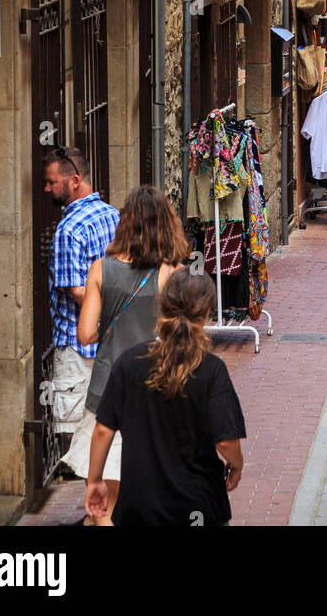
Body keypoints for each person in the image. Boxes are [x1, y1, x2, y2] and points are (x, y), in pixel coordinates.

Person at [64, 185, 190, 523]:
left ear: (126, 223)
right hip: (158, 390)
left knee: (105, 503)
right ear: (167, 224)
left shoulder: (101, 269)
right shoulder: (175, 274)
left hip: (109, 388)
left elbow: (86, 333)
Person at [86, 266, 246, 526]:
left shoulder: (129, 362)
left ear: (162, 307)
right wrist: (237, 465)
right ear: (207, 313)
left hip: (141, 505)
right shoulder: (210, 369)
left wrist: (94, 481)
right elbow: (226, 442)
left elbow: (103, 430)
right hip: (198, 506)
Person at [45, 149, 120, 443]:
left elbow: (79, 292)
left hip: (79, 348)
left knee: (77, 442)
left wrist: (98, 323)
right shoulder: (112, 214)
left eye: (52, 182)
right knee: (109, 433)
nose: (46, 188)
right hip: (111, 345)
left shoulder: (69, 230)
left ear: (74, 180)